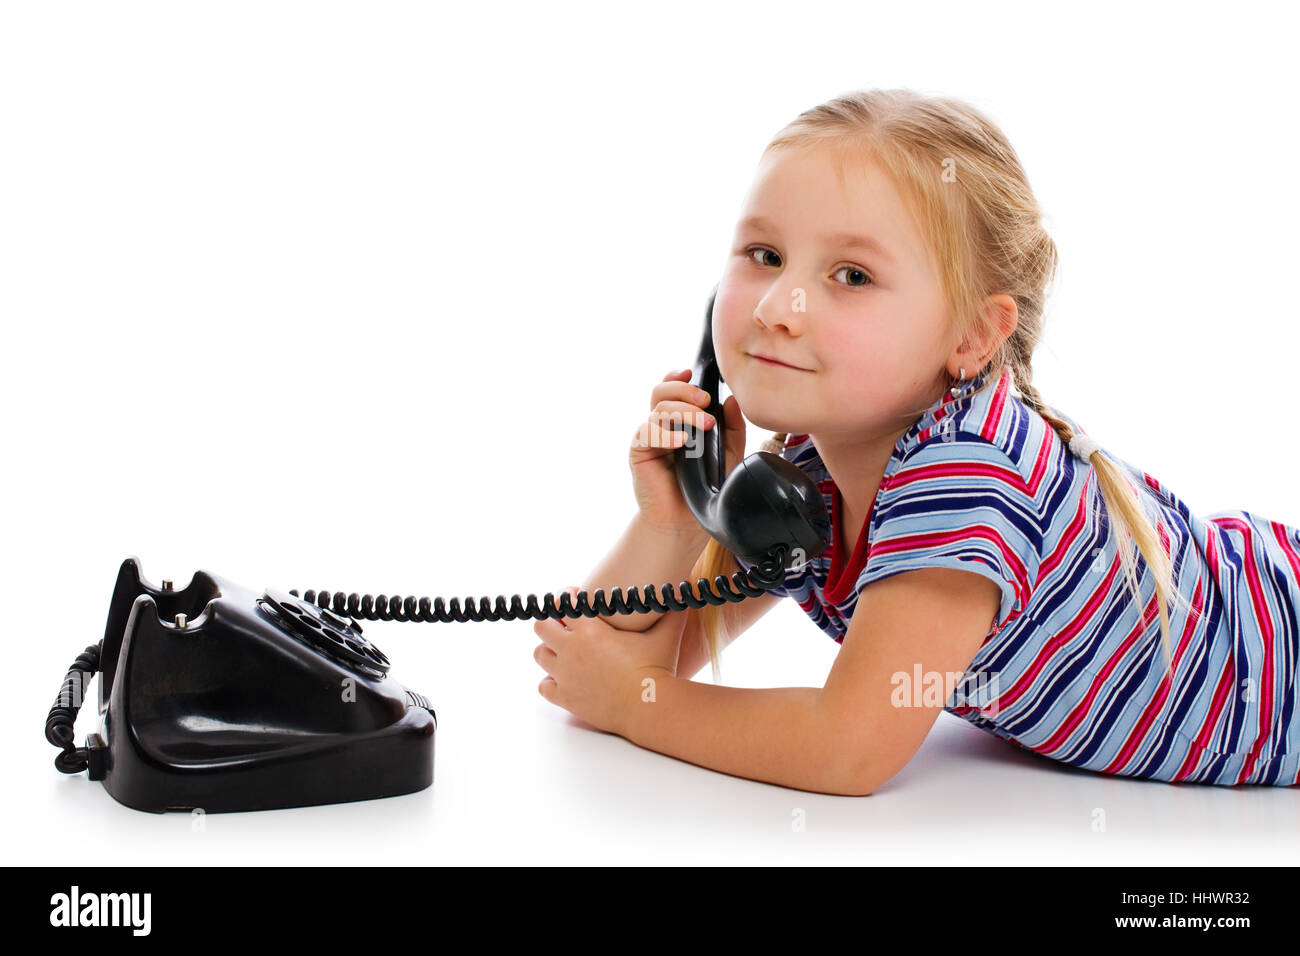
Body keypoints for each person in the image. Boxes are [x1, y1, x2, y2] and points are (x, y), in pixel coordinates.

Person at [531, 88, 1300, 792]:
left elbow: (848, 747)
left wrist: (635, 704)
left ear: (970, 336)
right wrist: (670, 518)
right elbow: (592, 657)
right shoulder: (809, 470)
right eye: (765, 256)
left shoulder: (964, 480)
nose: (776, 306)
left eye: (852, 276)